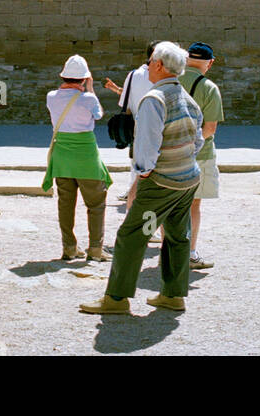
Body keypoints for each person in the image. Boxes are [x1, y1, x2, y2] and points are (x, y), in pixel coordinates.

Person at [80, 42, 203, 316]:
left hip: (161, 181)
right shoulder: (187, 98)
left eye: (150, 62)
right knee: (177, 236)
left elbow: (147, 144)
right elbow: (198, 141)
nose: (147, 66)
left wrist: (144, 171)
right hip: (187, 178)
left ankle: (116, 298)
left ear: (159, 65)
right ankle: (173, 295)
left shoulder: (154, 100)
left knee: (131, 236)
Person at [43, 54, 112, 261]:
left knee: (65, 203)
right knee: (96, 203)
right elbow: (98, 114)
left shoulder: (51, 96)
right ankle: (96, 249)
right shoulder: (88, 98)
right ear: (84, 78)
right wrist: (90, 89)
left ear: (63, 76)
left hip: (62, 154)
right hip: (86, 155)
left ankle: (69, 247)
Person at [179, 42, 223, 270]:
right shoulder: (209, 88)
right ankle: (190, 253)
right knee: (193, 205)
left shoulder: (171, 81)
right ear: (210, 62)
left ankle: (170, 251)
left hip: (170, 152)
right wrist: (193, 147)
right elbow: (210, 127)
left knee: (172, 205)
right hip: (200, 154)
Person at [105, 41, 157, 210]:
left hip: (137, 126)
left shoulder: (134, 74)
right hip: (157, 127)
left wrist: (116, 90)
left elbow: (127, 101)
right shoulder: (163, 75)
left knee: (137, 162)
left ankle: (132, 193)